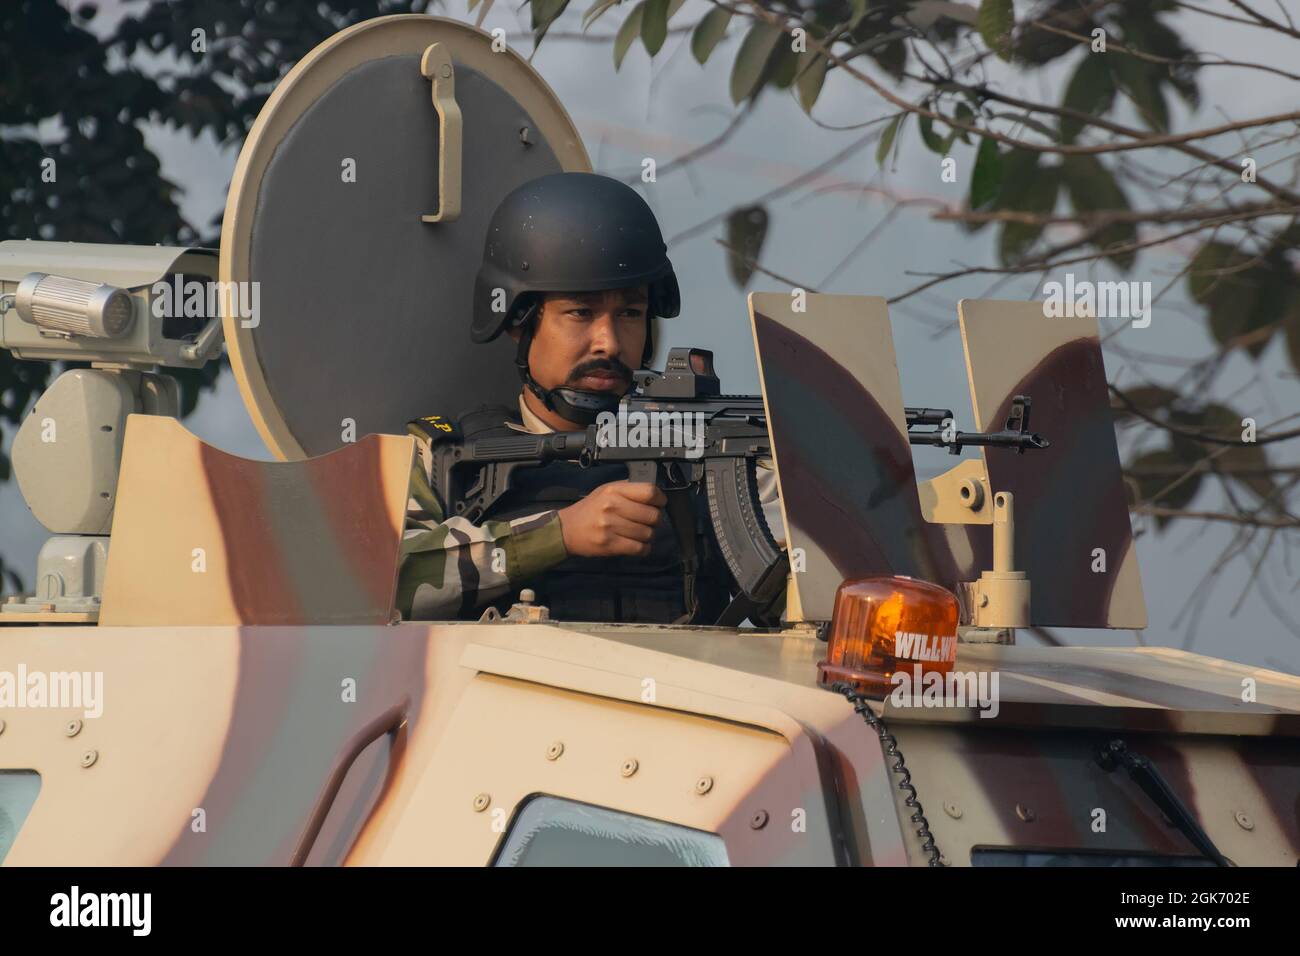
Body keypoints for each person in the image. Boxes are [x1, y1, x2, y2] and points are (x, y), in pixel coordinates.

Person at [397, 172, 781, 623]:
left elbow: (817, 601)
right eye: (580, 312)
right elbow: (379, 585)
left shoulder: (723, 458)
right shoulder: (441, 458)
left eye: (630, 314)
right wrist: (557, 534)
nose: (609, 343)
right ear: (519, 322)